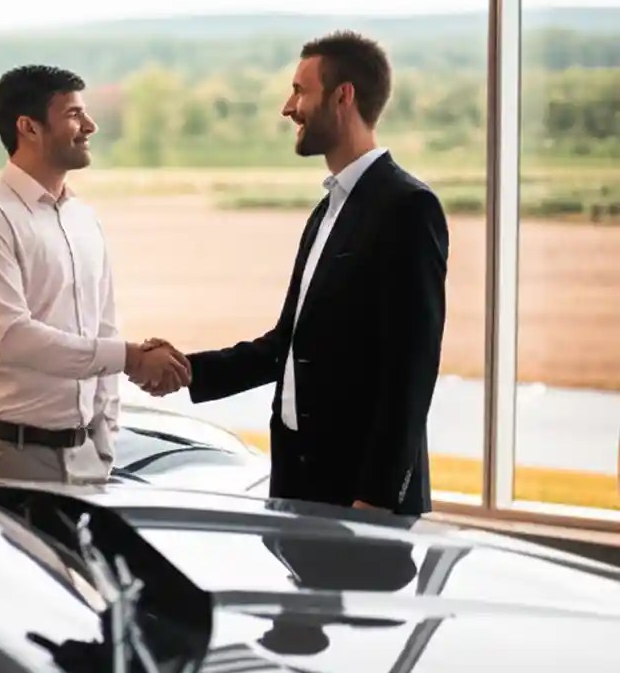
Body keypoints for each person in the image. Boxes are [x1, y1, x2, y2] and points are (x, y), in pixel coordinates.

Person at [140, 31, 449, 515]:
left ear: (342, 96)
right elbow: (288, 345)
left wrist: (377, 499)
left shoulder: (408, 207)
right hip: (298, 483)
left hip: (360, 499)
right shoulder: (327, 210)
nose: (289, 108)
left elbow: (412, 369)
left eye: (300, 90)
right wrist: (188, 371)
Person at [0, 64, 190, 485]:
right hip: (7, 463)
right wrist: (132, 358)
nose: (90, 126)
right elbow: (13, 339)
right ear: (29, 128)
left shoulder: (83, 218)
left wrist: (104, 439)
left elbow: (104, 324)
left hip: (85, 461)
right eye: (75, 114)